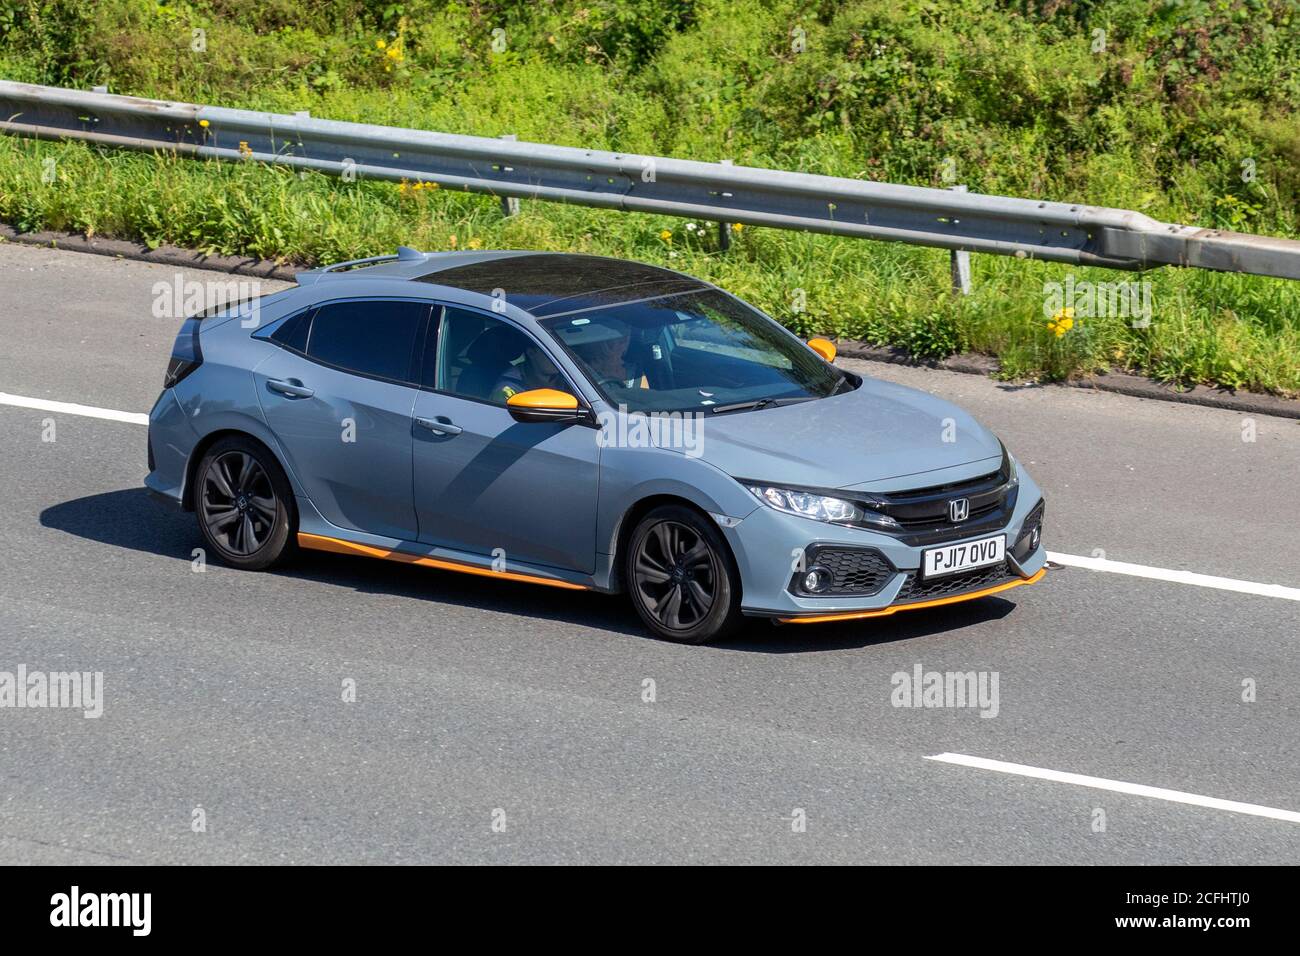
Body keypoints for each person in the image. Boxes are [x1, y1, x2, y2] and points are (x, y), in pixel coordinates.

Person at [490, 341, 567, 404]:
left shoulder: (568, 376)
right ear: (531, 353)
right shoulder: (508, 391)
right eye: (551, 353)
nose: (559, 359)